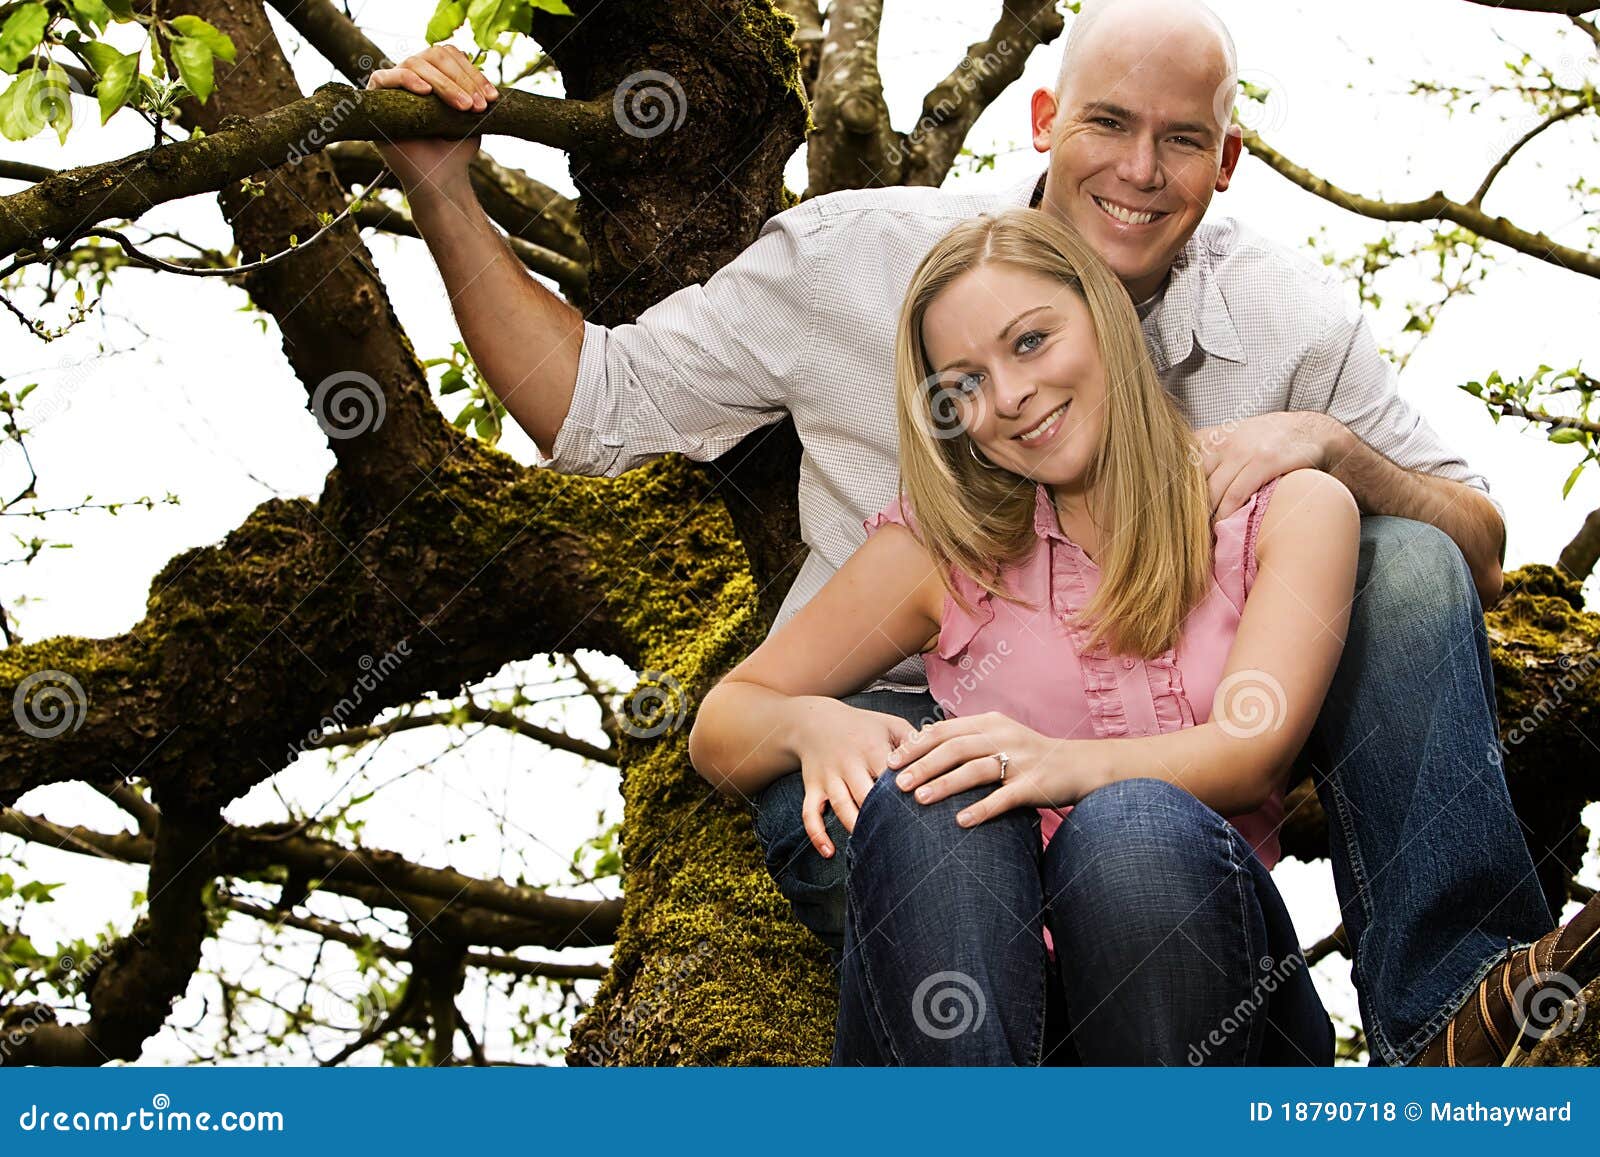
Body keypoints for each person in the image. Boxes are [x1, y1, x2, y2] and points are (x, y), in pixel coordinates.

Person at [366, 0, 1599, 1066]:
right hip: (897, 731)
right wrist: (440, 186)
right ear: (1043, 118)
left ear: (1226, 161)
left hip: (1168, 792)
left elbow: (1473, 550)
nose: (1139, 170)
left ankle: (1450, 1005)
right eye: (1107, 123)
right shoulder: (859, 271)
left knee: (1399, 565)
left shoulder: (1280, 326)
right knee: (935, 809)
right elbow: (594, 404)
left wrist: (1331, 448)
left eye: (1181, 139)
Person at [691, 207, 1352, 1064]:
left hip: (1204, 995)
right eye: (965, 383)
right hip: (998, 1006)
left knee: (1131, 828)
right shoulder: (944, 551)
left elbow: (1249, 751)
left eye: (1032, 342)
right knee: (930, 794)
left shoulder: (1284, 513)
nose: (1008, 397)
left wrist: (1054, 764)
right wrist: (811, 722)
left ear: (1105, 315)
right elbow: (723, 721)